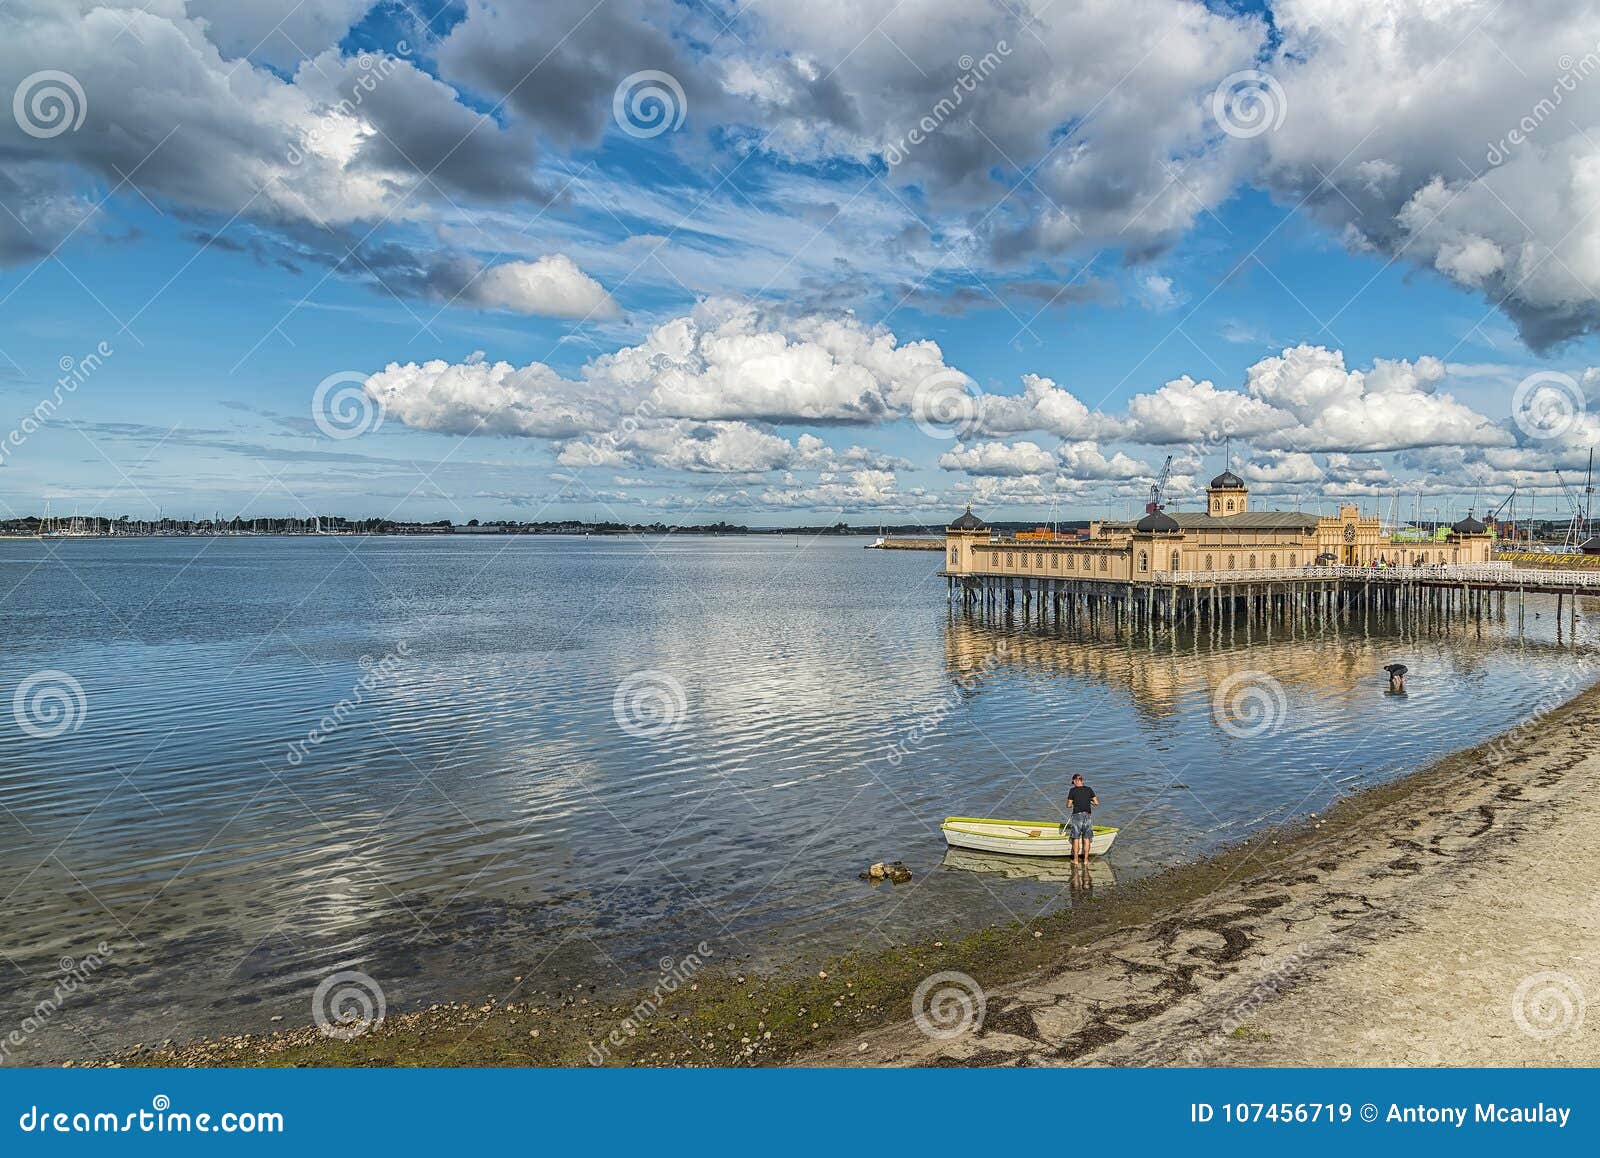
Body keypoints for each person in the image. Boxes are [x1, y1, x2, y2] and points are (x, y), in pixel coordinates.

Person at [1063, 772, 1099, 863]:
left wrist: (1072, 803)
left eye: (1073, 782)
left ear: (1075, 781)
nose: (1074, 784)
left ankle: (1075, 860)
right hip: (1087, 815)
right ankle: (1086, 860)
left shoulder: (1072, 791)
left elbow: (1068, 805)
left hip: (1077, 816)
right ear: (1081, 780)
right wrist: (1089, 801)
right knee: (1087, 838)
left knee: (1076, 838)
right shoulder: (1089, 789)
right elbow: (1096, 803)